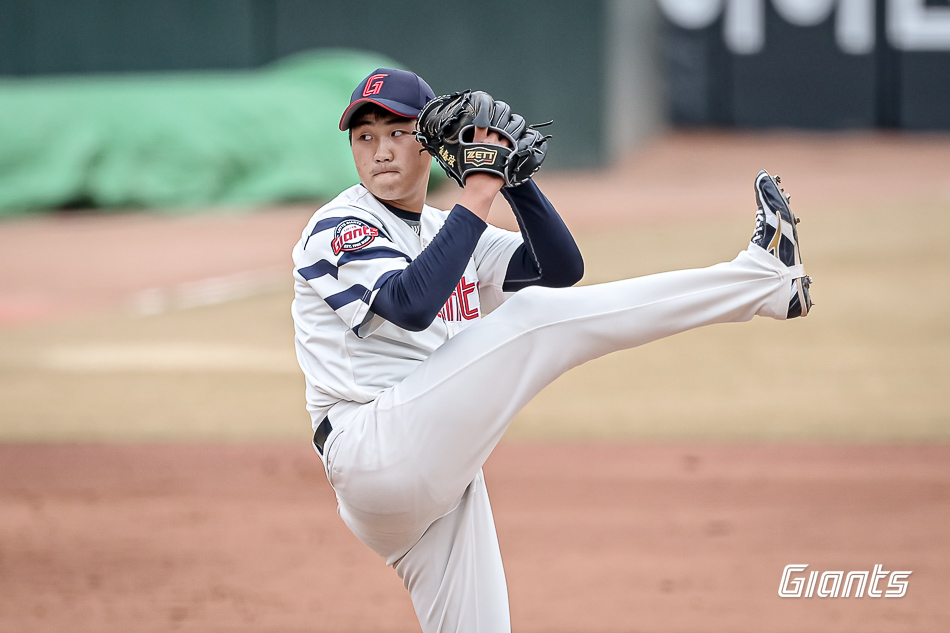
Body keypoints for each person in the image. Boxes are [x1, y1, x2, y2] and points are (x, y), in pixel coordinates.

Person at [290, 67, 811, 633]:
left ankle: (762, 281)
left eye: (395, 131)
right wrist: (480, 188)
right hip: (372, 447)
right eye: (364, 136)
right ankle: (760, 280)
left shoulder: (446, 228)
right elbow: (411, 303)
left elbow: (560, 268)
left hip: (435, 474)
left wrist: (514, 178)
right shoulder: (341, 224)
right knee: (533, 320)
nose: (380, 150)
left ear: (431, 140)